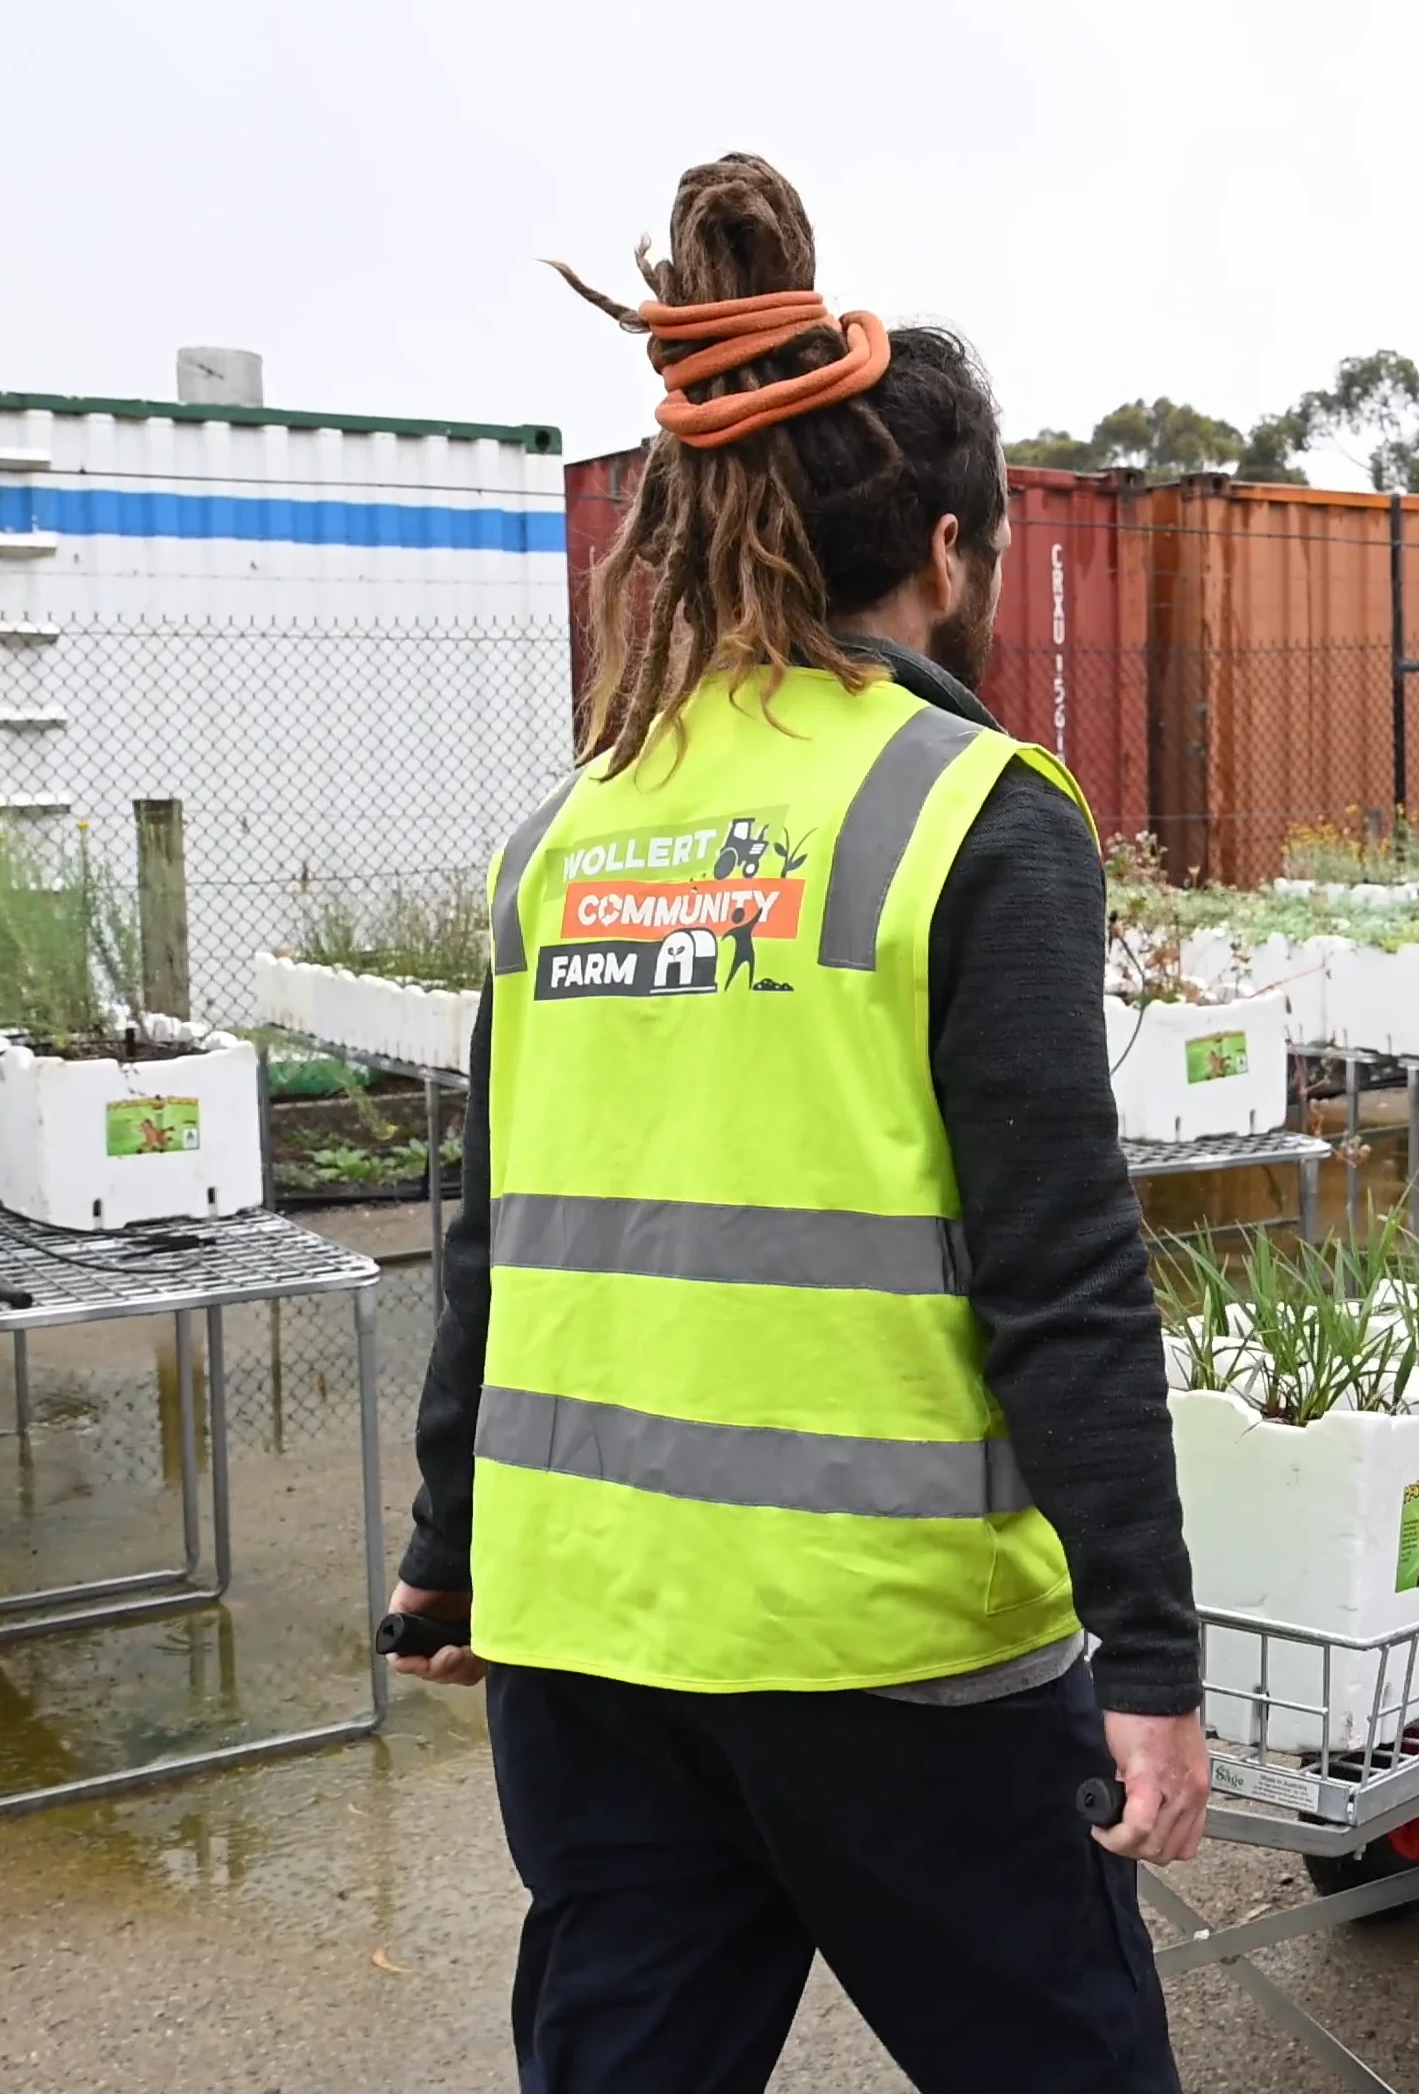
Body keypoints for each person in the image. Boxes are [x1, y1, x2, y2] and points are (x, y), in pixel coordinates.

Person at [388, 153, 1203, 2094]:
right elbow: (1062, 1272)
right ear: (947, 550)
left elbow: (492, 1235)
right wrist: (1152, 1660)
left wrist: (448, 1550)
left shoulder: (568, 834)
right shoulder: (970, 813)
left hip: (587, 1641)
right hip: (890, 1656)